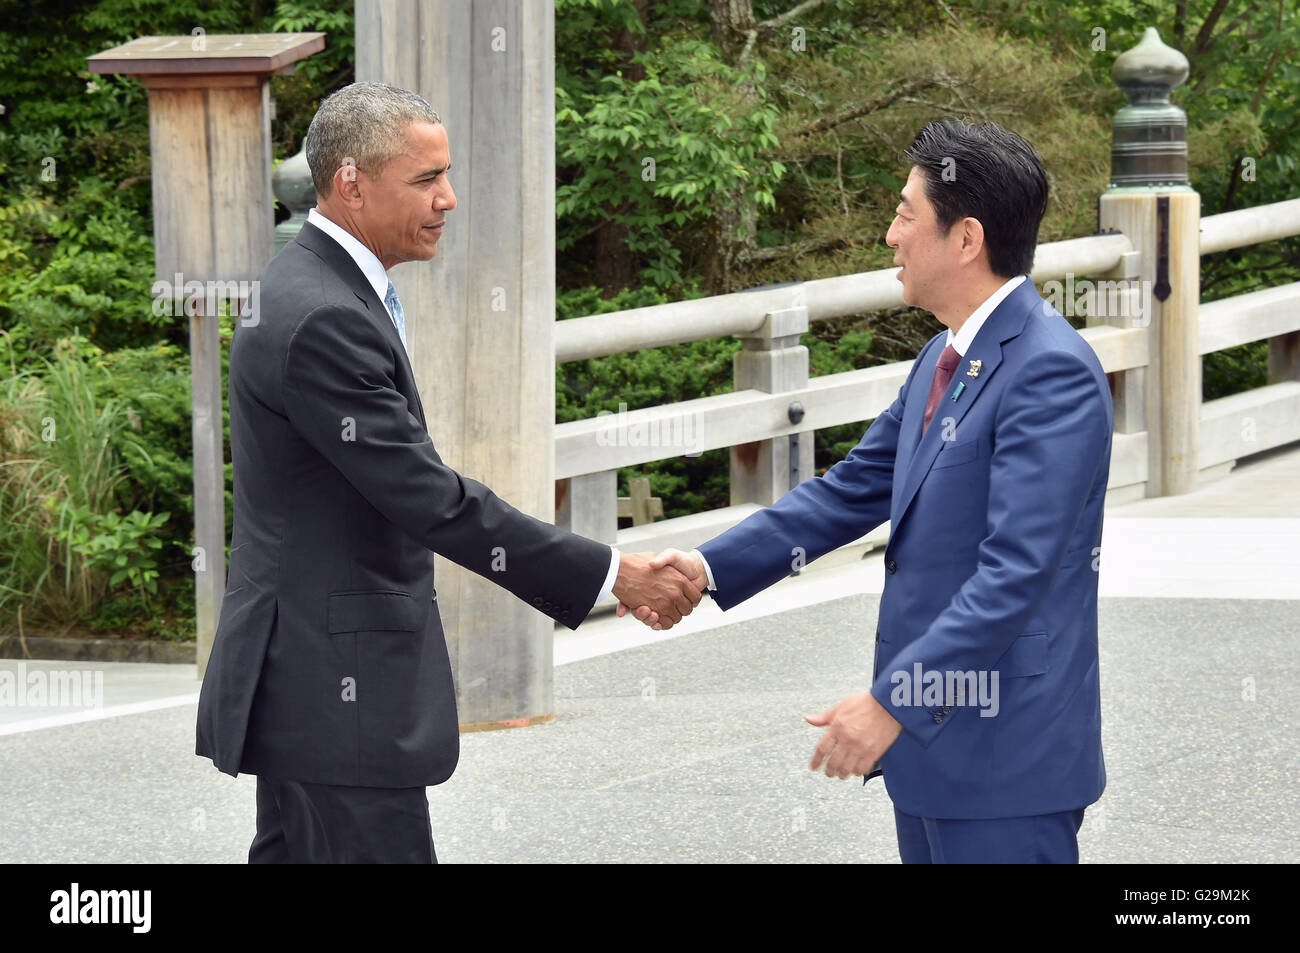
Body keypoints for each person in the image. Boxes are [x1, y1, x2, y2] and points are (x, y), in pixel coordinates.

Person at [195, 82, 701, 864]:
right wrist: (609, 573)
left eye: (448, 174)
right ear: (352, 181)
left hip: (309, 685)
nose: (449, 199)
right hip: (335, 690)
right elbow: (429, 498)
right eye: (426, 179)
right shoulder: (324, 313)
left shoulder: (309, 284)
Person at [633, 119, 1112, 864]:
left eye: (904, 213)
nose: (890, 235)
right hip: (928, 760)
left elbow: (1016, 572)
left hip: (1004, 763)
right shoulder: (943, 355)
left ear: (966, 239)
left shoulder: (1050, 370)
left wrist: (896, 699)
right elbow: (850, 490)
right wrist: (707, 568)